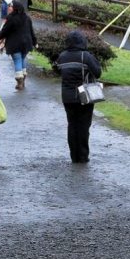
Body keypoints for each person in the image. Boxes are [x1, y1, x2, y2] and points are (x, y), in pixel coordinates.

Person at [55, 30, 102, 163]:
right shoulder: (86, 56)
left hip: (67, 97)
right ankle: (83, 155)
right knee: (83, 126)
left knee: (72, 125)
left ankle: (74, 155)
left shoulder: (62, 56)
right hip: (84, 96)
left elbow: (57, 70)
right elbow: (98, 72)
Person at [0, 0, 37, 91]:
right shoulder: (27, 18)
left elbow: (5, 31)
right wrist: (35, 42)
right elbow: (31, 31)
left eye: (11, 6)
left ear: (15, 8)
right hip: (26, 43)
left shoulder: (11, 18)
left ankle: (20, 82)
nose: (9, 7)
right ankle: (23, 79)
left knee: (18, 60)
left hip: (15, 44)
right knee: (22, 59)